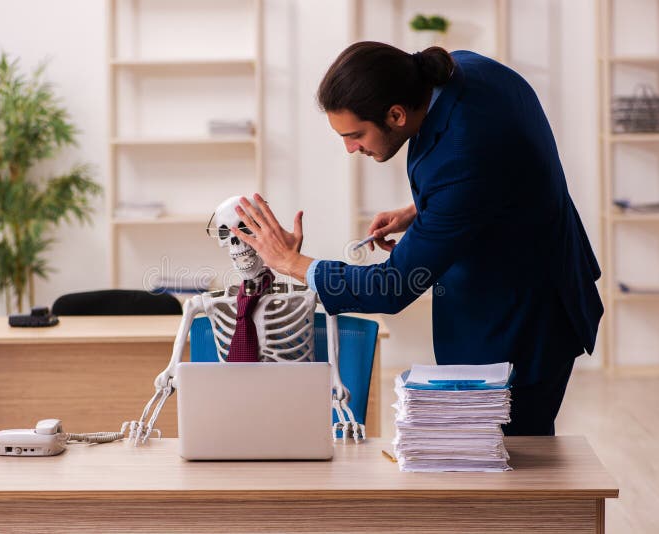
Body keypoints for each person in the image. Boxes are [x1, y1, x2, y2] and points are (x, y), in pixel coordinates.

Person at [230, 42, 603, 436]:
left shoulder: (461, 155)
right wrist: (423, 210)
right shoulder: (465, 68)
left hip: (521, 326)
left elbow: (391, 288)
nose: (350, 148)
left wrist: (292, 263)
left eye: (355, 134)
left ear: (396, 114)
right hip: (537, 275)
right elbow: (507, 171)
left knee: (502, 469)